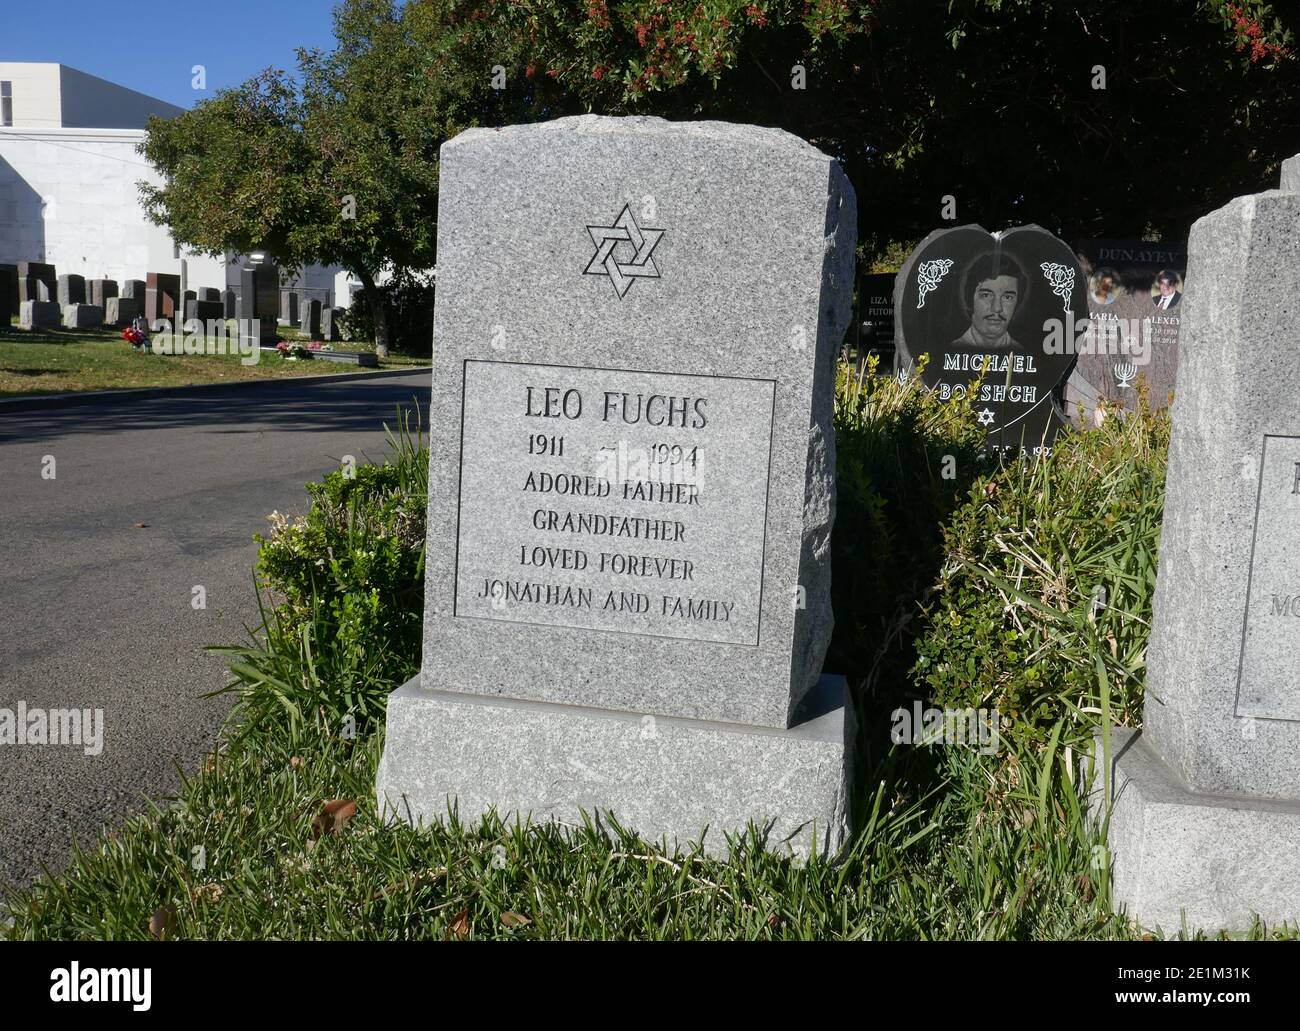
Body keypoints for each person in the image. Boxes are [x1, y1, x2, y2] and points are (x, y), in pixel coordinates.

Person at [949, 252, 1026, 352]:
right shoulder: (951, 350)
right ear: (970, 299)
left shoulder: (1023, 353)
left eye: (1007, 297)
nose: (997, 308)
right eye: (986, 295)